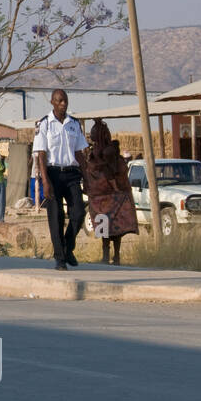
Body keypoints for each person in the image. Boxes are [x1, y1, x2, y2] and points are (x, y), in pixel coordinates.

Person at [32, 89, 89, 270]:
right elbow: (41, 154)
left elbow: (80, 153)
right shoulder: (44, 124)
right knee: (56, 217)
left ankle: (68, 246)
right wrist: (45, 181)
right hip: (53, 174)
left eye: (65, 100)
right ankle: (60, 258)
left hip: (72, 173)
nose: (63, 103)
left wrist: (86, 177)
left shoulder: (74, 124)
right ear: (52, 102)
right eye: (60, 100)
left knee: (79, 213)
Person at [82, 120, 138, 265]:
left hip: (112, 195)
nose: (92, 137)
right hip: (104, 196)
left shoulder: (107, 152)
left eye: (94, 133)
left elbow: (111, 172)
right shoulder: (97, 152)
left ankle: (113, 256)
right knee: (107, 228)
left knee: (113, 229)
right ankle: (110, 256)